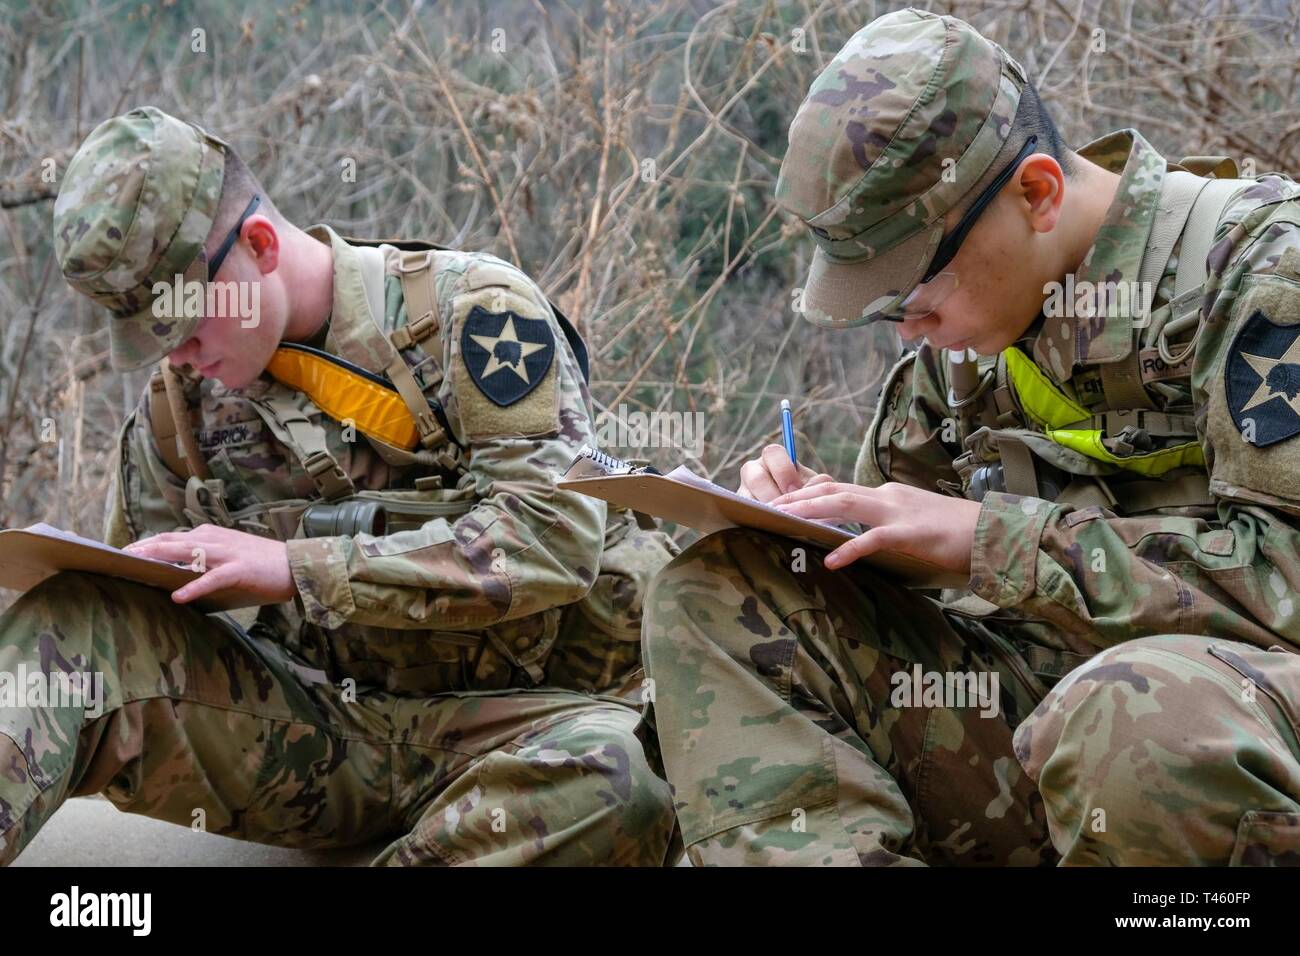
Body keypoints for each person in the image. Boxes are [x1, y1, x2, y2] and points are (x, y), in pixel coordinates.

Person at [642, 7, 1300, 866]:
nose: (910, 330)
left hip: (1226, 733)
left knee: (1131, 718)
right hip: (1048, 722)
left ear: (1037, 193)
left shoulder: (1263, 279)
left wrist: (996, 545)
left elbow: (1283, 579)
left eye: (917, 296)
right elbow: (910, 583)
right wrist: (820, 527)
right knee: (724, 593)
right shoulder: (967, 349)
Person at [0, 105, 677, 866]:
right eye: (157, 338)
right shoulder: (178, 415)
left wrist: (293, 568)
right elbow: (144, 623)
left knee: (628, 780)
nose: (180, 356)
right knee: (73, 617)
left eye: (189, 325)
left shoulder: (471, 319)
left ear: (257, 244)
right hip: (330, 739)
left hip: (536, 725)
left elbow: (553, 542)